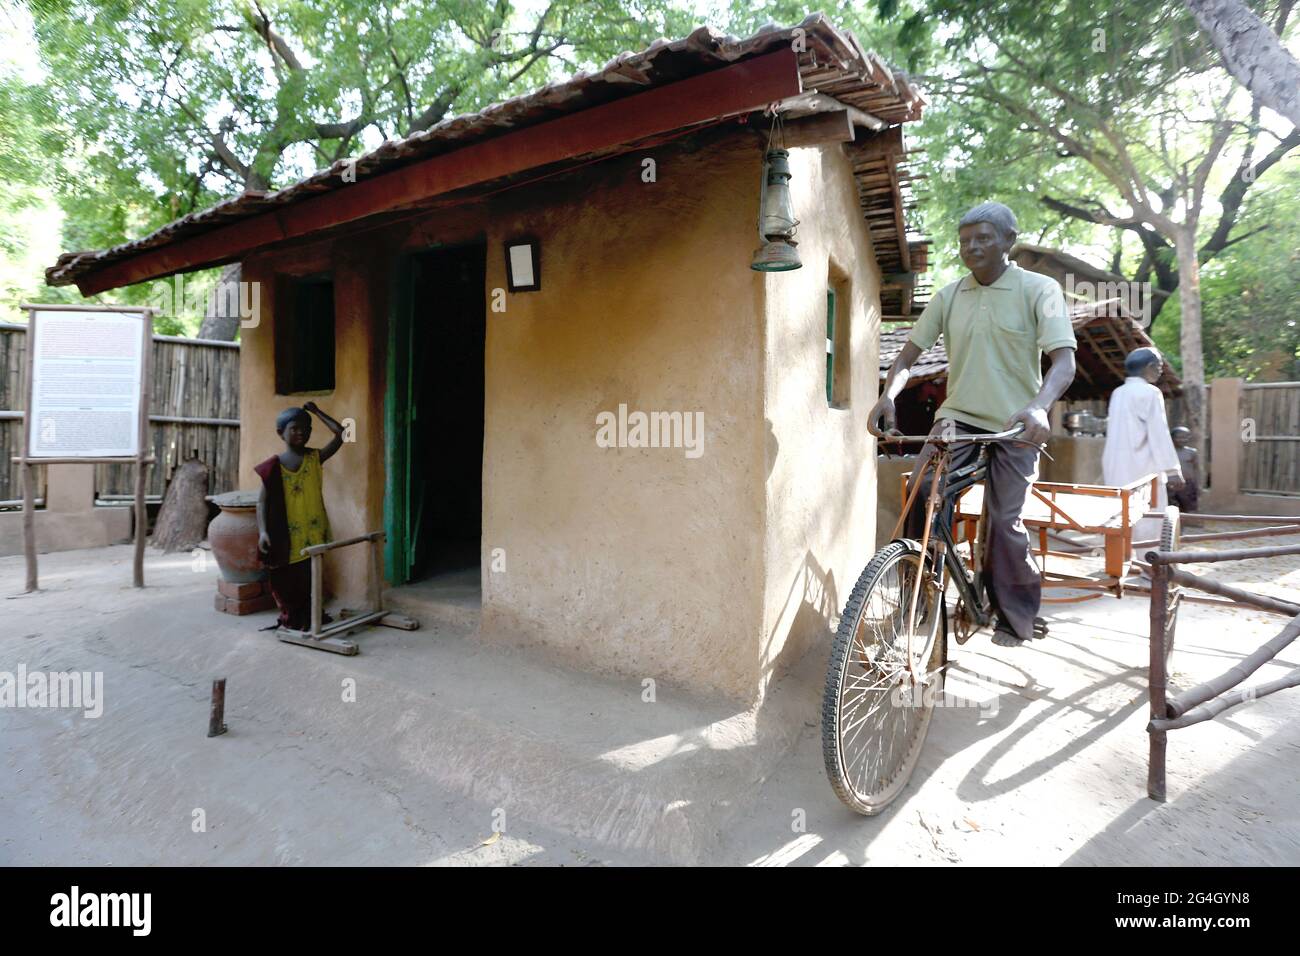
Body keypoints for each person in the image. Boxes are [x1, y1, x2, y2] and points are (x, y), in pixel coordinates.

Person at [871, 202, 1077, 647]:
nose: (972, 247)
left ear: (1008, 241)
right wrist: (888, 394)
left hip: (1017, 421)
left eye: (983, 238)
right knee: (922, 494)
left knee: (1005, 520)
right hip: (958, 416)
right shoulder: (949, 295)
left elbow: (1064, 361)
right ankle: (918, 594)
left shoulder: (1039, 289)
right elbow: (908, 357)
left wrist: (1040, 407)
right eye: (965, 240)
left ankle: (1014, 616)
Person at [255, 403, 346, 629]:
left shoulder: (316, 458)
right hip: (287, 534)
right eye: (294, 428)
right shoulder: (273, 466)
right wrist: (263, 531)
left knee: (311, 577)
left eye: (306, 428)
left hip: (314, 530)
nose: (301, 432)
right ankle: (294, 618)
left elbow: (341, 433)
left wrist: (316, 412)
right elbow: (262, 501)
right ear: (281, 433)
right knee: (288, 579)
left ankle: (312, 615)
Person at [1101, 348, 1184, 548]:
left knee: (1120, 514)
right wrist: (1172, 470)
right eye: (1159, 367)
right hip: (1143, 467)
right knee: (1149, 514)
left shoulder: (1118, 393)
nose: (1161, 371)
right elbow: (1159, 433)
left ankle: (1120, 560)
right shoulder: (1151, 392)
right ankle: (1147, 563)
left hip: (1116, 466)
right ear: (1149, 367)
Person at [1169, 426, 1200, 513]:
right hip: (1170, 484)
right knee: (1171, 507)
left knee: (1188, 507)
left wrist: (1197, 485)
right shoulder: (1168, 453)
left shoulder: (1192, 452)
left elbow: (1196, 469)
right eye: (1179, 437)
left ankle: (1188, 524)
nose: (1182, 440)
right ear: (1172, 438)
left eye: (1185, 437)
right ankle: (1174, 525)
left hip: (1188, 485)